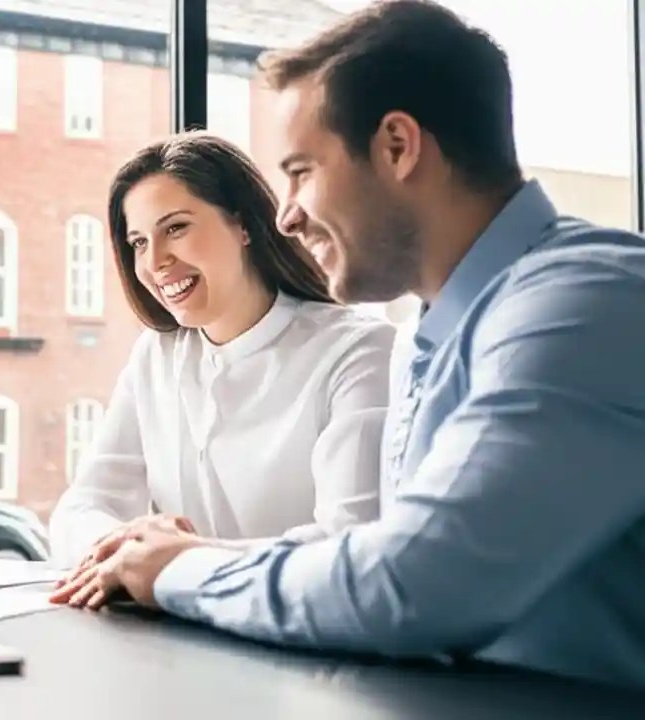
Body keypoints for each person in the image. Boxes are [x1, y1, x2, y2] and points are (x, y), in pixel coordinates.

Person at [66, 0, 645, 690]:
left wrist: (175, 567)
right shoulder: (428, 340)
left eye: (302, 171)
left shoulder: (583, 306)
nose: (286, 213)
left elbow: (406, 585)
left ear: (398, 147)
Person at [48, 132, 396, 597]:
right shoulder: (157, 354)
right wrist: (128, 550)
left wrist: (180, 562)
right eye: (137, 242)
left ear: (243, 224)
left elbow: (350, 540)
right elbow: (82, 507)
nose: (155, 262)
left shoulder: (357, 350)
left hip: (306, 646)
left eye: (175, 228)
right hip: (178, 641)